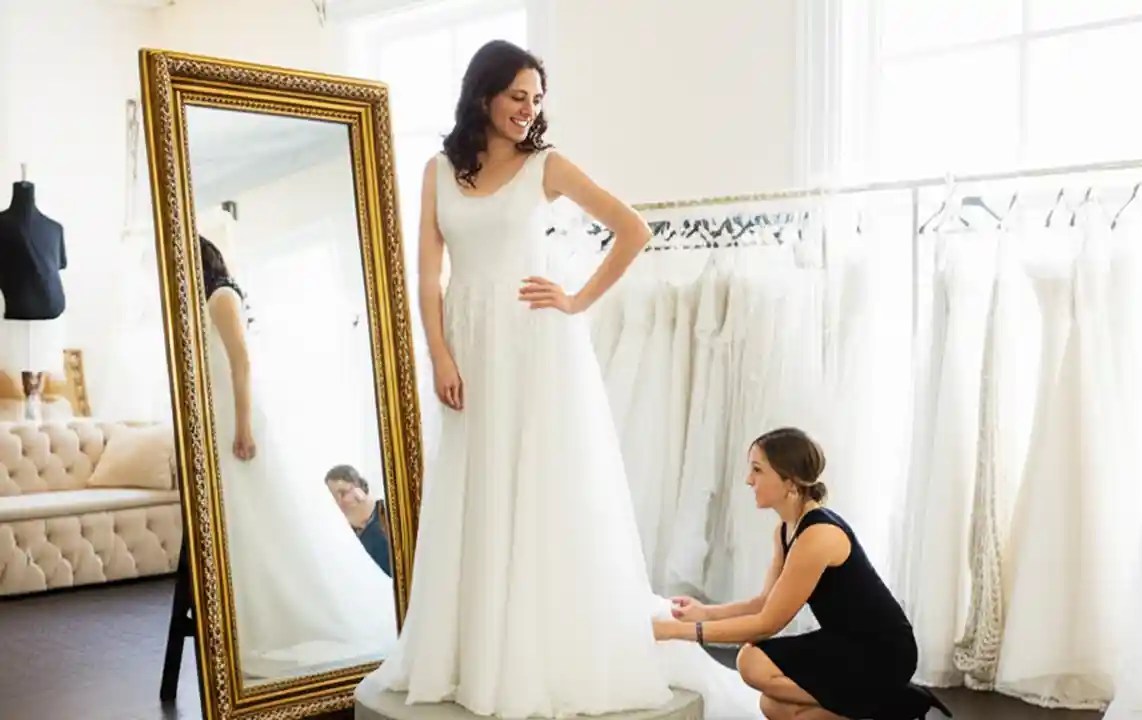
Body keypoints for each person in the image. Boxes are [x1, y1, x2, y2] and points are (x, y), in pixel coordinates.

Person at [366, 39, 758, 719]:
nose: (528, 109)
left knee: (538, 492)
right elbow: (426, 277)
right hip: (469, 345)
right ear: (483, 94)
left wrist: (576, 299)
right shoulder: (437, 170)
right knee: (475, 489)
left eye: (537, 98)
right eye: (518, 96)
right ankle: (467, 652)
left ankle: (529, 654)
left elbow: (631, 230)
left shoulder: (545, 166)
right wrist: (439, 355)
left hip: (534, 346)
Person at [652, 428, 953, 720]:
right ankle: (884, 706)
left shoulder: (819, 534)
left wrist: (680, 632)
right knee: (773, 707)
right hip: (842, 643)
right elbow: (764, 602)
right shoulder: (785, 530)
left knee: (751, 662)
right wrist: (705, 612)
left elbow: (767, 624)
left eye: (757, 470)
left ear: (790, 481)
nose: (748, 480)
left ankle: (887, 695)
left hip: (882, 652)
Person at [201, 236, 397, 677]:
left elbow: (241, 363)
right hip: (223, 422)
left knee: (266, 516)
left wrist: (244, 426)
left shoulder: (220, 296)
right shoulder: (207, 301)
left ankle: (293, 615)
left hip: (241, 422)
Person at [325, 464, 391, 576]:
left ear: (359, 489)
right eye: (334, 498)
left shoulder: (389, 515)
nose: (339, 502)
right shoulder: (346, 538)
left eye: (342, 493)